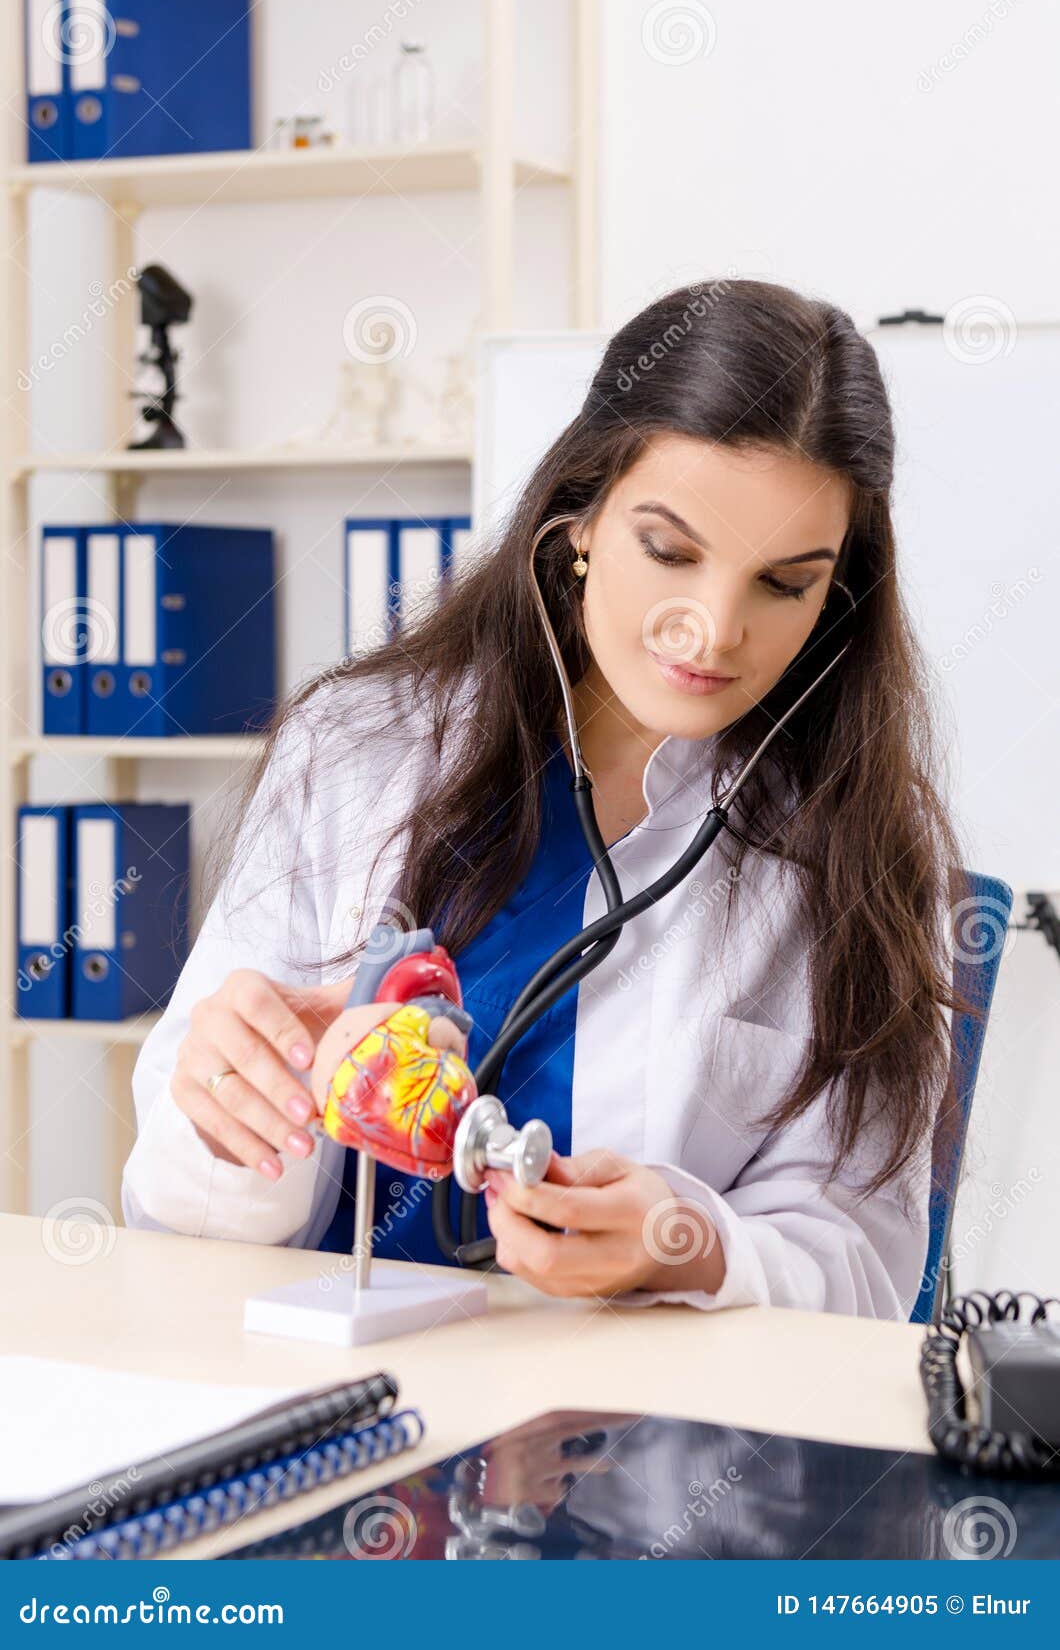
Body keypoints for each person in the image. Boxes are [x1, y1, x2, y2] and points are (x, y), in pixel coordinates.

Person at [122, 278, 970, 1319]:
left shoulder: (860, 846)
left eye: (782, 584)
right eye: (669, 551)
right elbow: (174, 1223)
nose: (711, 629)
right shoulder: (355, 749)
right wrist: (244, 1106)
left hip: (649, 1445)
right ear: (580, 518)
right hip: (339, 1406)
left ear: (837, 592)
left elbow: (868, 1265)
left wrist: (690, 1248)